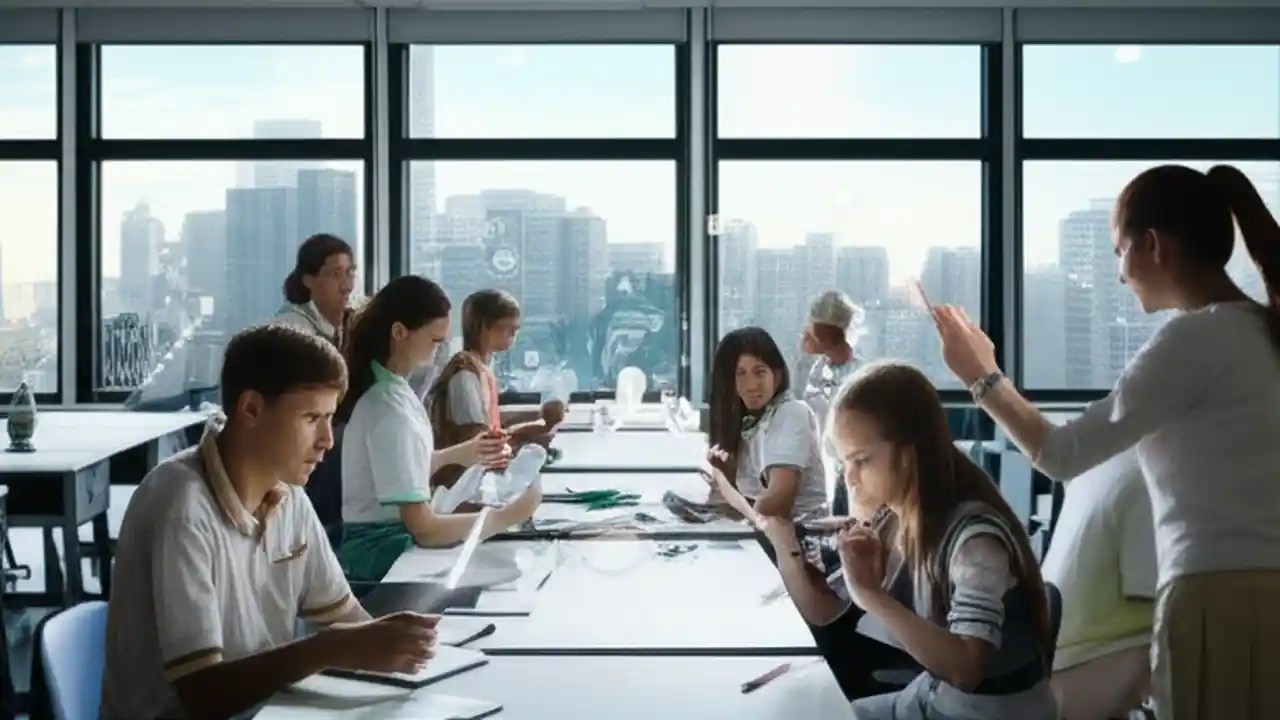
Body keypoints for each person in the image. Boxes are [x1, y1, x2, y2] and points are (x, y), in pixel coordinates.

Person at [932, 163, 1280, 719]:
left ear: (1152, 245)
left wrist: (982, 376)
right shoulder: (1265, 330)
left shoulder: (1194, 340)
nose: (1119, 272)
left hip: (1215, 598)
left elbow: (1061, 454)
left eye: (1120, 250)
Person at [101, 324, 439, 720]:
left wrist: (395, 642)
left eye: (330, 418)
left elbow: (345, 620)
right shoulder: (182, 505)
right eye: (312, 417)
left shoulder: (288, 495)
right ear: (251, 409)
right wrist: (335, 648)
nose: (328, 439)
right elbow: (201, 693)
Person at [822, 361, 1056, 719]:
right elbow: (827, 605)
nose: (849, 478)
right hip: (933, 697)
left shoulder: (974, 542)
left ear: (907, 452)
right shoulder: (901, 517)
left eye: (862, 460)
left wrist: (871, 595)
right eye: (844, 464)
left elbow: (965, 667)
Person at [336, 276, 543, 583]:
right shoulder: (388, 408)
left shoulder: (395, 392)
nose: (439, 352)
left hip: (393, 542)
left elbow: (399, 468)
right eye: (435, 342)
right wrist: (506, 516)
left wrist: (461, 454)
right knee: (509, 574)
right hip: (383, 558)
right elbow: (425, 529)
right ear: (399, 332)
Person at [1042, 449, 1156, 720]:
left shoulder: (1107, 458)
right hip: (1075, 680)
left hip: (1057, 666)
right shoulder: (1151, 480)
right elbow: (1155, 598)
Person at [426, 289, 556, 494]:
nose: (514, 336)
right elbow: (476, 440)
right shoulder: (464, 376)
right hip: (462, 487)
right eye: (508, 329)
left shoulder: (483, 366)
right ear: (483, 328)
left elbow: (490, 418)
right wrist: (531, 431)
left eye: (516, 330)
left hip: (481, 478)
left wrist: (537, 416)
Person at [707, 326, 827, 521]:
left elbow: (777, 502)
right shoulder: (749, 423)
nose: (751, 384)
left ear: (777, 376)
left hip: (802, 540)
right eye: (740, 374)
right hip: (771, 536)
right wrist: (727, 477)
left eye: (759, 372)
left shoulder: (791, 413)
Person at [800, 290, 866, 516]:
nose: (809, 330)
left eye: (815, 324)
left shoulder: (859, 373)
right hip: (827, 463)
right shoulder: (817, 370)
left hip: (852, 465)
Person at [274, 233, 357, 347]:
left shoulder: (349, 327)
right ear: (307, 280)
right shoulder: (291, 332)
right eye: (336, 274)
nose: (346, 286)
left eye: (350, 273)